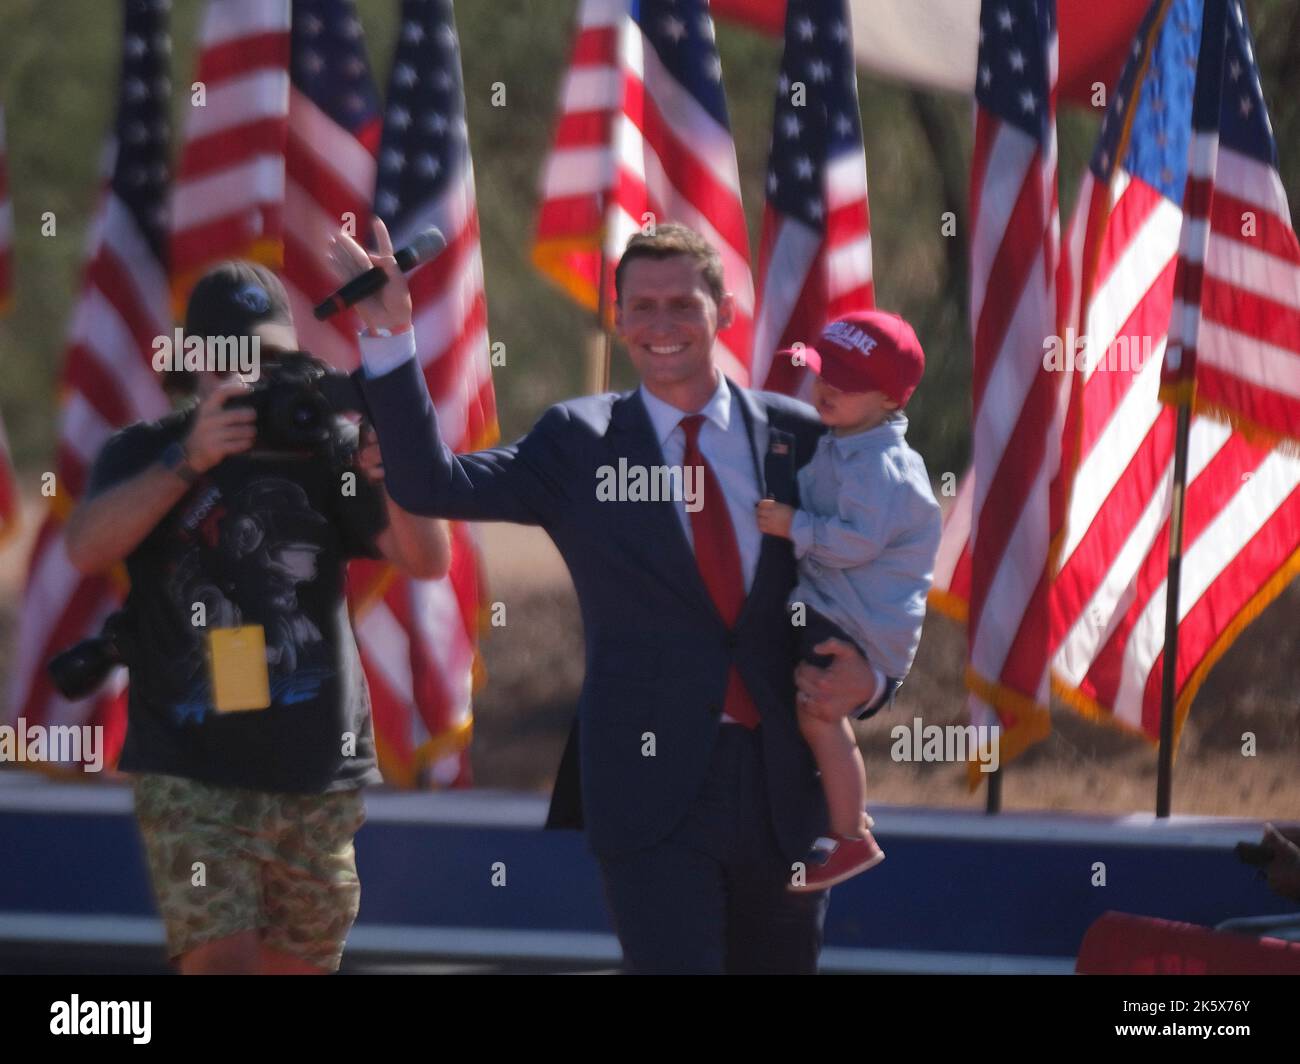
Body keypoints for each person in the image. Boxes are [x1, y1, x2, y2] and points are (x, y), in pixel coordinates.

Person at [329, 219, 883, 974]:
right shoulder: (579, 442)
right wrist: (392, 337)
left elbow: (882, 575)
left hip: (788, 786)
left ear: (722, 311)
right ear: (617, 320)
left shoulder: (800, 437)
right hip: (651, 791)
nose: (663, 325)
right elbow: (432, 483)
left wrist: (875, 677)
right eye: (643, 306)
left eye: (683, 304)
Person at [64, 260, 449, 975]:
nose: (252, 377)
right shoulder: (146, 450)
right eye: (232, 359)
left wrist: (389, 470)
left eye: (269, 358)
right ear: (195, 365)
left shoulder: (325, 449)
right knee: (222, 962)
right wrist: (190, 461)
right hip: (192, 767)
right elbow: (87, 548)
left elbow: (426, 558)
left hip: (316, 765)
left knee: (295, 967)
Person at [756, 312, 941, 890]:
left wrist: (794, 525)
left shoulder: (879, 465)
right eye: (821, 372)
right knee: (814, 710)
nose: (825, 388)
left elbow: (857, 542)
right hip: (845, 606)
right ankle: (846, 815)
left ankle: (850, 835)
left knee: (819, 711)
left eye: (846, 381)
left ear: (889, 397)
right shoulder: (847, 442)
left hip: (860, 623)